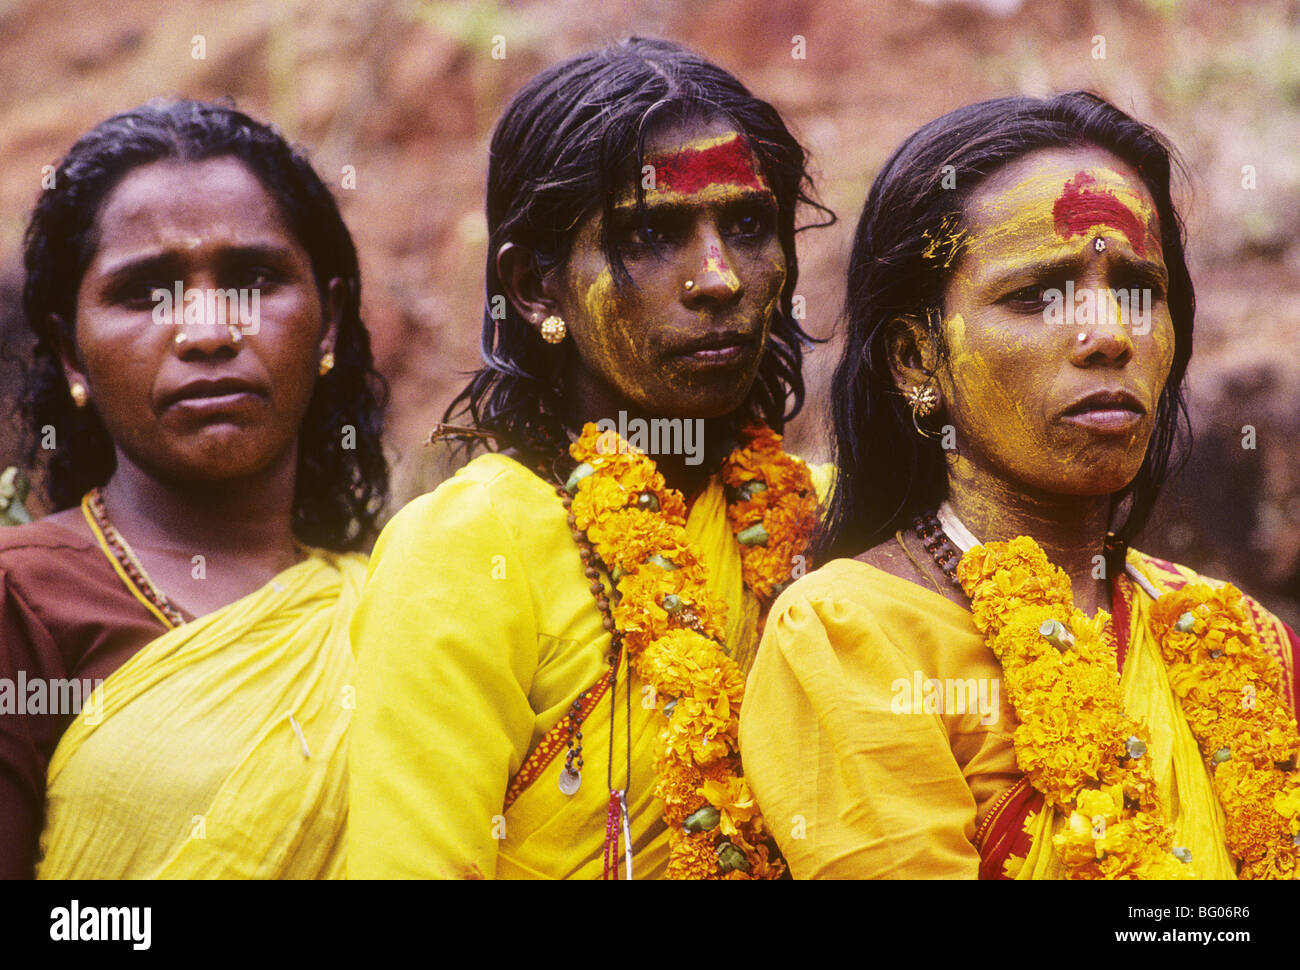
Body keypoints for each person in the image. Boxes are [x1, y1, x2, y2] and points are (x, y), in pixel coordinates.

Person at [740, 91, 1300, 879]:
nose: (1109, 334)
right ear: (915, 359)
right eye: (1038, 295)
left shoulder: (1241, 640)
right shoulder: (850, 636)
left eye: (1141, 289)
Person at [348, 37, 833, 880]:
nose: (719, 277)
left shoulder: (831, 523)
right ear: (536, 286)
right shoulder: (469, 547)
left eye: (749, 225)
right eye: (652, 233)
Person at [0, 99, 388, 879]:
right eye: (145, 293)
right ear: (70, 355)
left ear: (330, 323)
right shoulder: (21, 596)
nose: (209, 330)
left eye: (254, 278)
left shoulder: (397, 598)